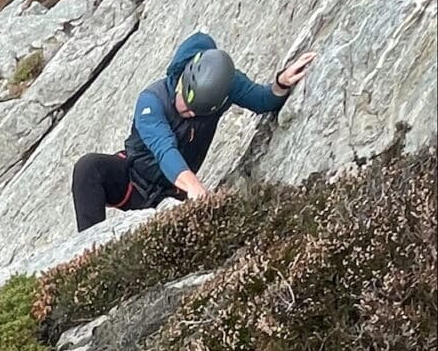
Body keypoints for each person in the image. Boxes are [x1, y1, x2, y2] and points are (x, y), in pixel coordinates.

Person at [70, 34, 315, 231]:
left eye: (193, 112)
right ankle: (89, 249)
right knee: (88, 168)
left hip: (172, 194)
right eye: (184, 103)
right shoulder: (152, 101)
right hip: (134, 179)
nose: (184, 111)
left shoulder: (227, 86)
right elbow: (164, 149)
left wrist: (281, 83)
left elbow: (262, 101)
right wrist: (194, 186)